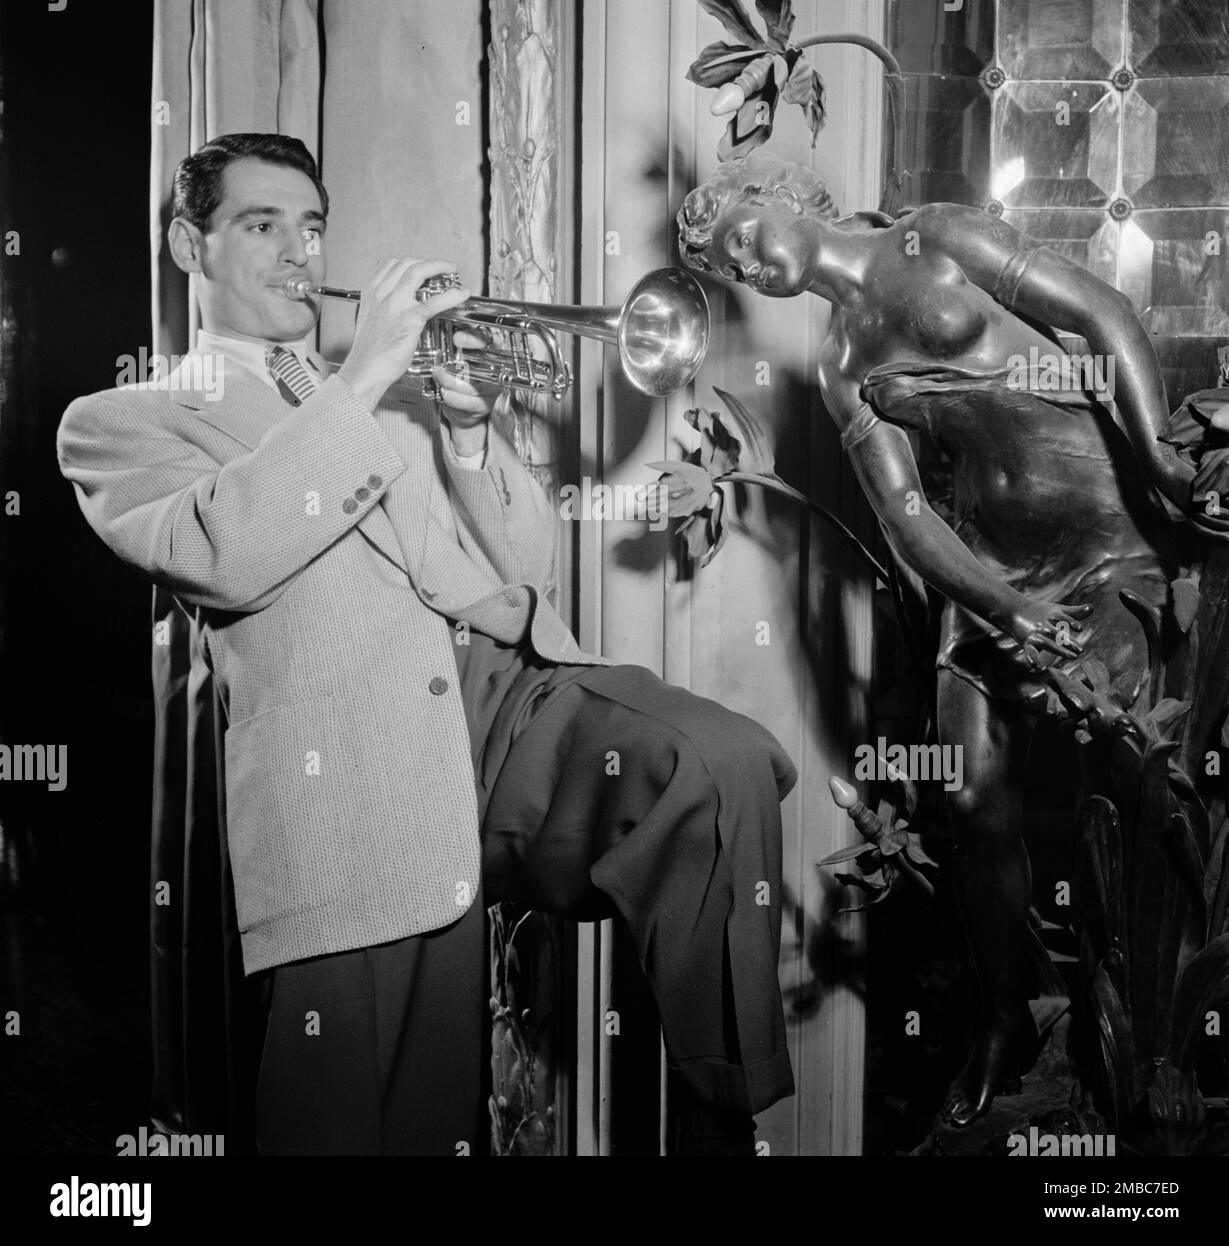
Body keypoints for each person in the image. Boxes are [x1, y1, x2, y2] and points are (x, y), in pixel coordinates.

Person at [57, 133, 797, 1156]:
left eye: (309, 227)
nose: (298, 254)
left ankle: (728, 1112)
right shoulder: (124, 421)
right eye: (260, 225)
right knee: (373, 1122)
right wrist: (357, 384)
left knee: (720, 764)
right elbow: (222, 550)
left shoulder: (387, 394)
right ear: (192, 243)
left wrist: (464, 432)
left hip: (497, 704)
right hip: (353, 776)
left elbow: (524, 564)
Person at [678, 155, 1207, 1127]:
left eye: (746, 232)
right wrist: (998, 603)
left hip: (1102, 519)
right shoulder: (841, 368)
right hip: (988, 565)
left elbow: (1100, 316)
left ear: (788, 196)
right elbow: (909, 515)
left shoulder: (933, 237)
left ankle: (1155, 1037)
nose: (749, 262)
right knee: (965, 787)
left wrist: (1157, 461)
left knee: (1140, 782)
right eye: (731, 267)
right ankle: (1006, 1016)